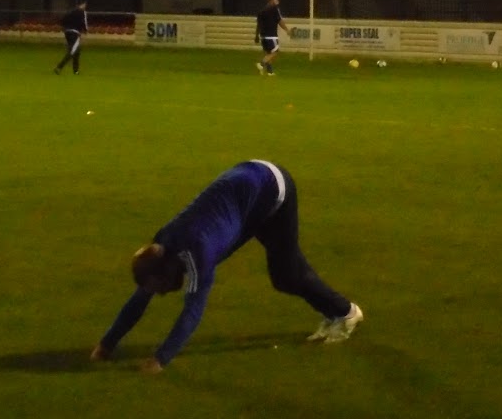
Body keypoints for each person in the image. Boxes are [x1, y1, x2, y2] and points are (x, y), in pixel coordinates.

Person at [90, 159, 363, 372]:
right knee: (287, 272)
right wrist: (106, 344)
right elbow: (141, 295)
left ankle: (346, 313)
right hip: (245, 191)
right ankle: (333, 314)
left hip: (271, 190)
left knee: (286, 274)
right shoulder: (162, 246)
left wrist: (161, 359)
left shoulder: (198, 253)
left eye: (160, 287)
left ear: (166, 270)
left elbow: (193, 310)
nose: (160, 293)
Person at [255, 0, 291, 76]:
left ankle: (269, 71)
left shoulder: (261, 11)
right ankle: (261, 64)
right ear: (271, 1)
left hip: (263, 36)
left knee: (268, 53)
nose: (277, 2)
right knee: (275, 52)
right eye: (275, 0)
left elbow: (258, 24)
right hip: (271, 36)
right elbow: (280, 21)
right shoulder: (275, 9)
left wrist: (256, 36)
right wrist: (286, 30)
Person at [53, 0, 89, 74]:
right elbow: (84, 23)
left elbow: (62, 20)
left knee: (77, 50)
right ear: (82, 4)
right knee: (72, 51)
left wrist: (65, 28)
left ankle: (76, 70)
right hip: (75, 33)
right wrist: (85, 30)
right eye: (84, 4)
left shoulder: (70, 11)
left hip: (67, 32)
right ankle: (59, 67)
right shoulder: (82, 12)